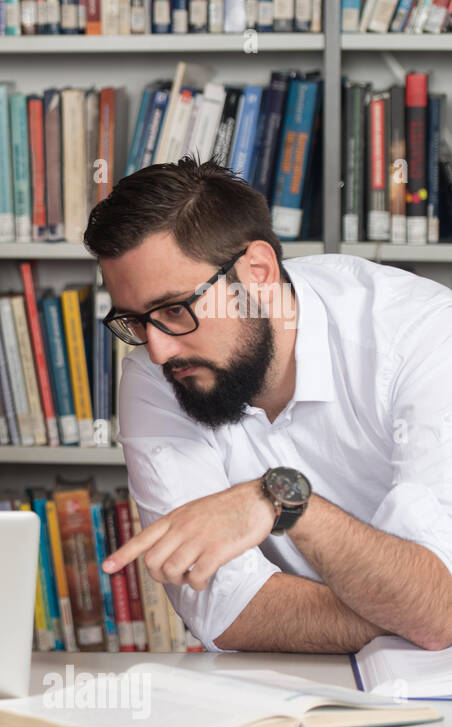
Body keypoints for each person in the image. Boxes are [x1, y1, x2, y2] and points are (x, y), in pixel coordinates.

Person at [85, 157, 452, 653]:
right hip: (293, 688)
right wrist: (405, 610)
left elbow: (439, 607)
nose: (157, 349)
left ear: (256, 272)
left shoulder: (422, 335)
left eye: (175, 309)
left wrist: (283, 502)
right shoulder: (157, 371)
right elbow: (224, 612)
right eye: (135, 321)